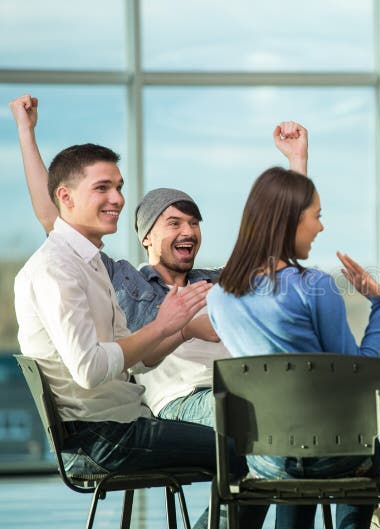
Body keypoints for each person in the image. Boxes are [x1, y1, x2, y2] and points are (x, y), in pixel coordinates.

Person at [9, 93, 308, 427]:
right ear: (146, 236)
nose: (189, 231)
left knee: (303, 398)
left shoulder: (215, 281)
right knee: (270, 411)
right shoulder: (120, 279)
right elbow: (56, 218)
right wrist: (26, 132)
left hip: (241, 387)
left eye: (194, 223)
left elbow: (277, 250)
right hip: (183, 399)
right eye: (174, 223)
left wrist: (297, 162)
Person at [12, 141, 264, 529]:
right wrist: (165, 325)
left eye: (118, 186)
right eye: (102, 188)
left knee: (247, 447)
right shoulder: (58, 269)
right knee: (245, 455)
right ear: (65, 196)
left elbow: (140, 360)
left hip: (124, 420)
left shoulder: (88, 263)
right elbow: (90, 369)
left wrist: (181, 329)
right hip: (103, 436)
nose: (117, 198)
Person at [206, 166, 380, 529]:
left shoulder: (219, 297)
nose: (321, 227)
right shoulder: (313, 286)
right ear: (290, 219)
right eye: (317, 216)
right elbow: (359, 377)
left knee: (301, 436)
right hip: (332, 457)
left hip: (266, 460)